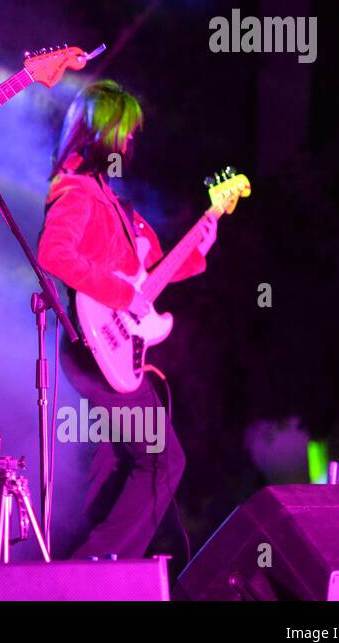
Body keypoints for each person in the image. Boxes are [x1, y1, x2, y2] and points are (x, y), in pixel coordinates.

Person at [37, 79, 215, 558]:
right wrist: (121, 293)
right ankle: (98, 573)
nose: (132, 142)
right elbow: (53, 254)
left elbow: (149, 281)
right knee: (162, 462)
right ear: (103, 131)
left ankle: (83, 570)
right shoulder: (76, 193)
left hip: (110, 347)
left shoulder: (114, 203)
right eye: (127, 131)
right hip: (95, 347)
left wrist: (198, 248)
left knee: (112, 470)